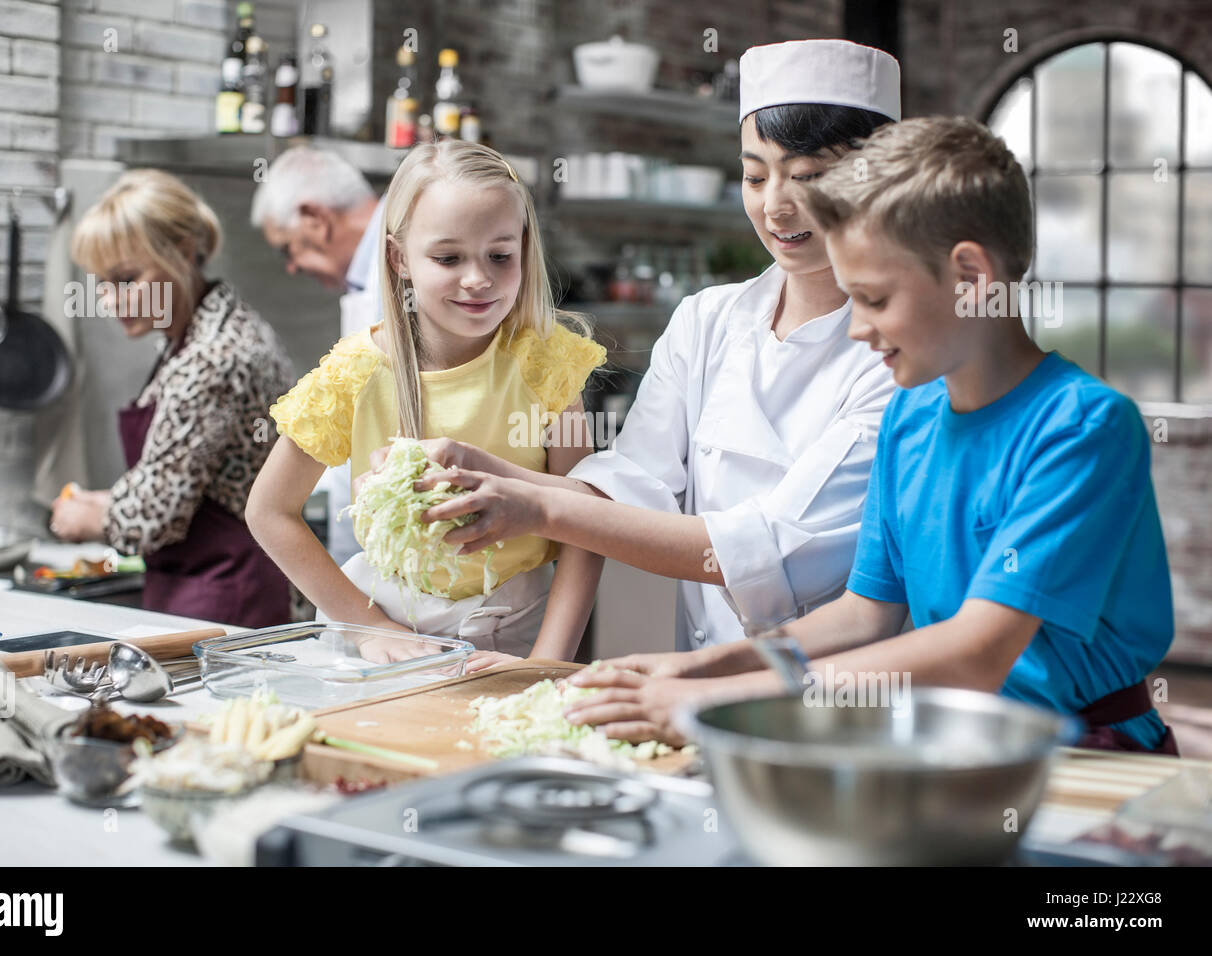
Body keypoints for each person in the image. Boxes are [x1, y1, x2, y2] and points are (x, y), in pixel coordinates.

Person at [562, 116, 1179, 755]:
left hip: (1086, 755)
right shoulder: (910, 418)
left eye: (876, 299)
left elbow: (977, 652)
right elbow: (863, 616)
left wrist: (717, 700)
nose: (856, 329)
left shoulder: (1082, 427)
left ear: (971, 278)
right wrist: (706, 667)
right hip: (952, 747)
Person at [383, 39, 900, 653]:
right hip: (706, 673)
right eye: (755, 175)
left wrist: (536, 508)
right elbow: (631, 485)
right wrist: (486, 470)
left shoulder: (897, 351)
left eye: (808, 177)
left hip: (848, 690)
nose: (775, 205)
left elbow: (771, 546)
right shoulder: (707, 320)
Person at [247, 140, 607, 663]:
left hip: (516, 628)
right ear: (399, 259)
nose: (478, 278)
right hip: (387, 627)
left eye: (500, 255)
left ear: (524, 250)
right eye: (448, 257)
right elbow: (269, 511)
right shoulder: (354, 372)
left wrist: (547, 662)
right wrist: (370, 630)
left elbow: (585, 515)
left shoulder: (549, 365)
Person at [51, 169, 295, 628]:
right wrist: (108, 500)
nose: (109, 300)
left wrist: (86, 518)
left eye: (125, 279)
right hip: (197, 583)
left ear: (183, 253)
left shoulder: (214, 357)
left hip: (226, 593)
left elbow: (154, 517)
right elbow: (183, 476)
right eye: (101, 283)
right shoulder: (202, 332)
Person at [251, 146, 385, 567]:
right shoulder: (365, 278)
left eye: (287, 249)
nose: (291, 267)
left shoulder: (397, 262)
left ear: (315, 218)